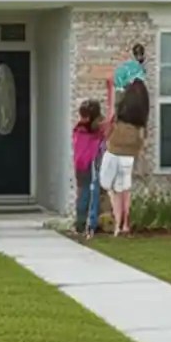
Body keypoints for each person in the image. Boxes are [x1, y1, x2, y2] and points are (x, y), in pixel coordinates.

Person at [99, 77, 148, 236]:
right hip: (132, 148)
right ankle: (126, 224)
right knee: (124, 187)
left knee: (108, 184)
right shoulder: (142, 110)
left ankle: (117, 224)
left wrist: (110, 89)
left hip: (116, 145)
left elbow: (111, 115)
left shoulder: (123, 106)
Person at [72, 99, 105, 238]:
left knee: (87, 193)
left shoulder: (80, 130)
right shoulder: (88, 131)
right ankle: (85, 224)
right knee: (88, 193)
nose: (82, 118)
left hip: (86, 164)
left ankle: (86, 225)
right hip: (87, 165)